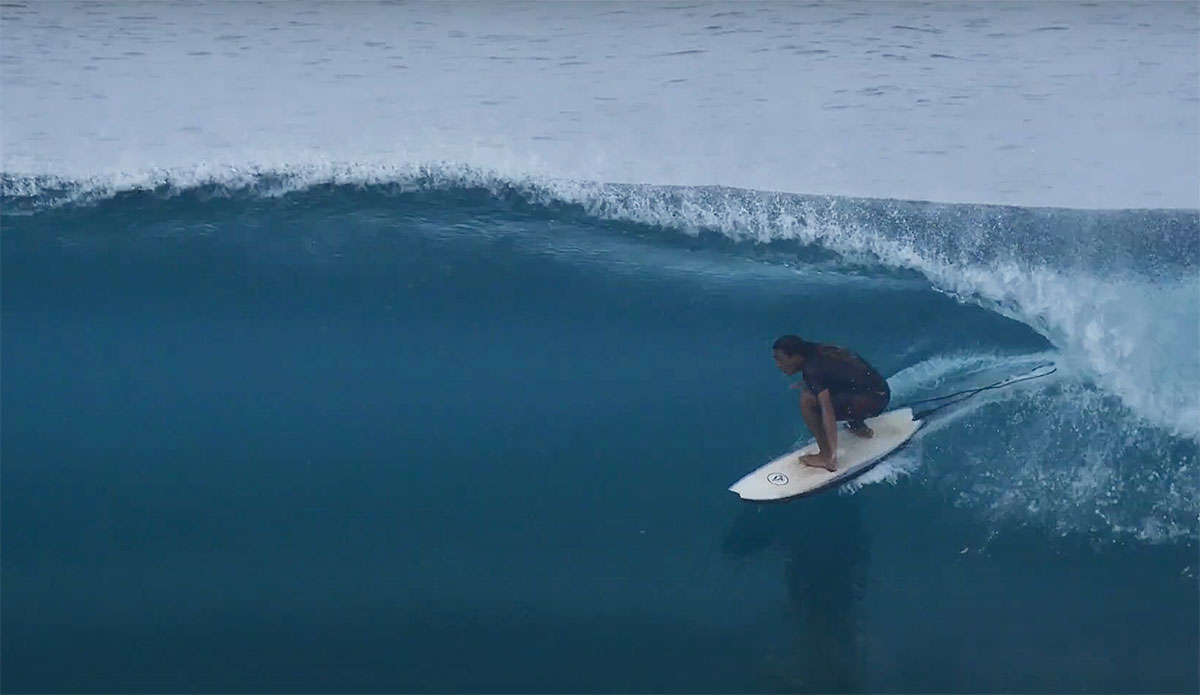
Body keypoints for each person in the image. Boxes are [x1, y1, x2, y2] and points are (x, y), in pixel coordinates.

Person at [772, 335, 890, 472]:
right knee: (817, 390)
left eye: (780, 359)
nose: (778, 365)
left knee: (807, 401)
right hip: (881, 392)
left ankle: (826, 457)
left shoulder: (812, 370)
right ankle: (859, 427)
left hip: (872, 402)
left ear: (796, 356)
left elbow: (827, 409)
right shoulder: (821, 349)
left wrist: (832, 454)